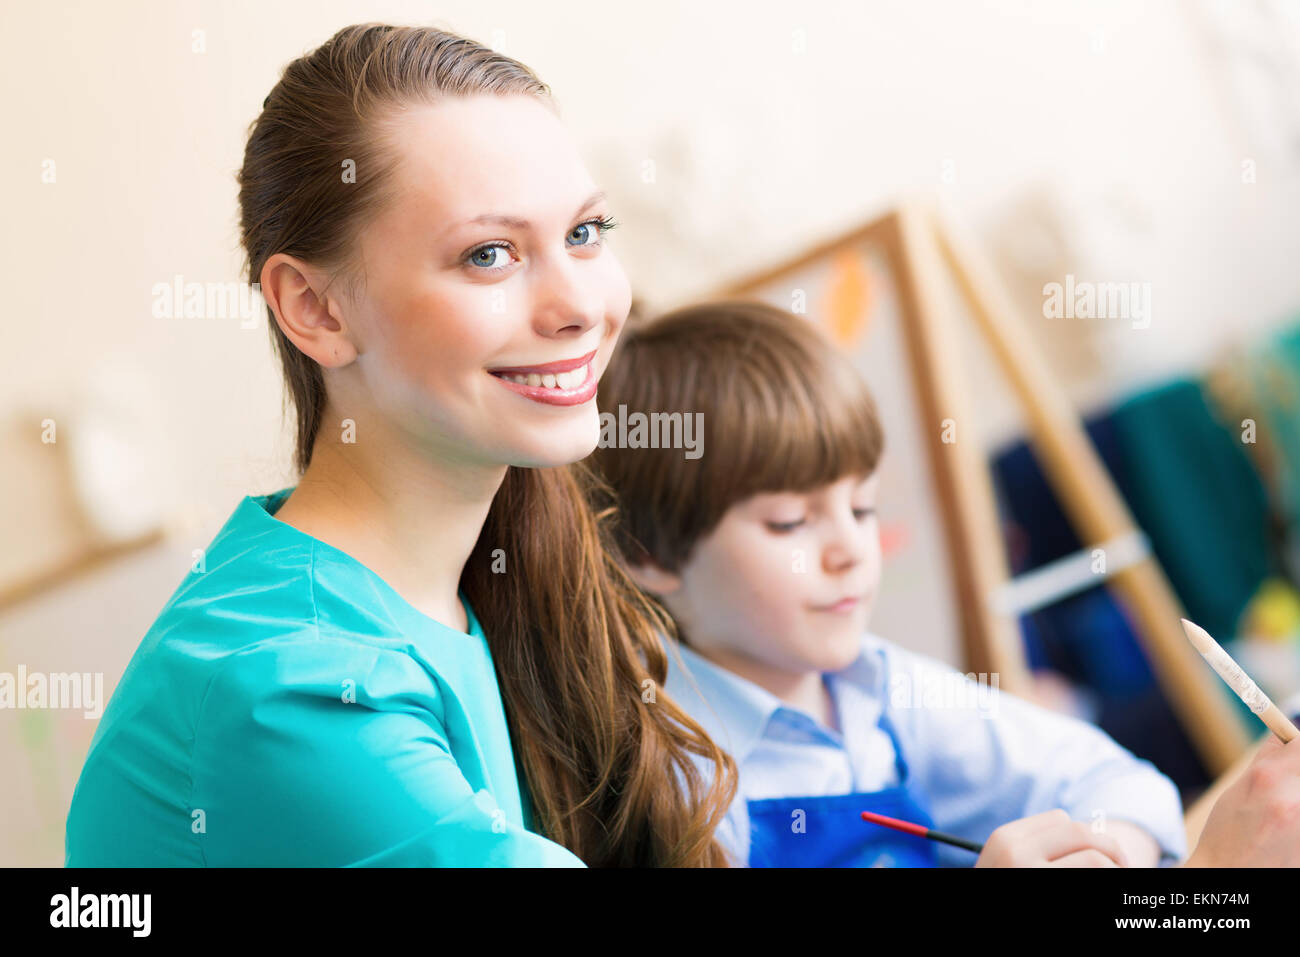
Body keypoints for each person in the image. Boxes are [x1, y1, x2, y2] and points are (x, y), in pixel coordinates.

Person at [64, 23, 736, 867]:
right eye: (489, 254)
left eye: (585, 232)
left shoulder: (477, 578)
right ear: (315, 308)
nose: (579, 305)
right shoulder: (286, 688)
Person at [587, 299, 1300, 867]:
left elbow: (1118, 780)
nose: (853, 550)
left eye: (862, 507)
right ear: (648, 553)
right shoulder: (677, 782)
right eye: (790, 521)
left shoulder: (881, 687)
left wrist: (1107, 853)